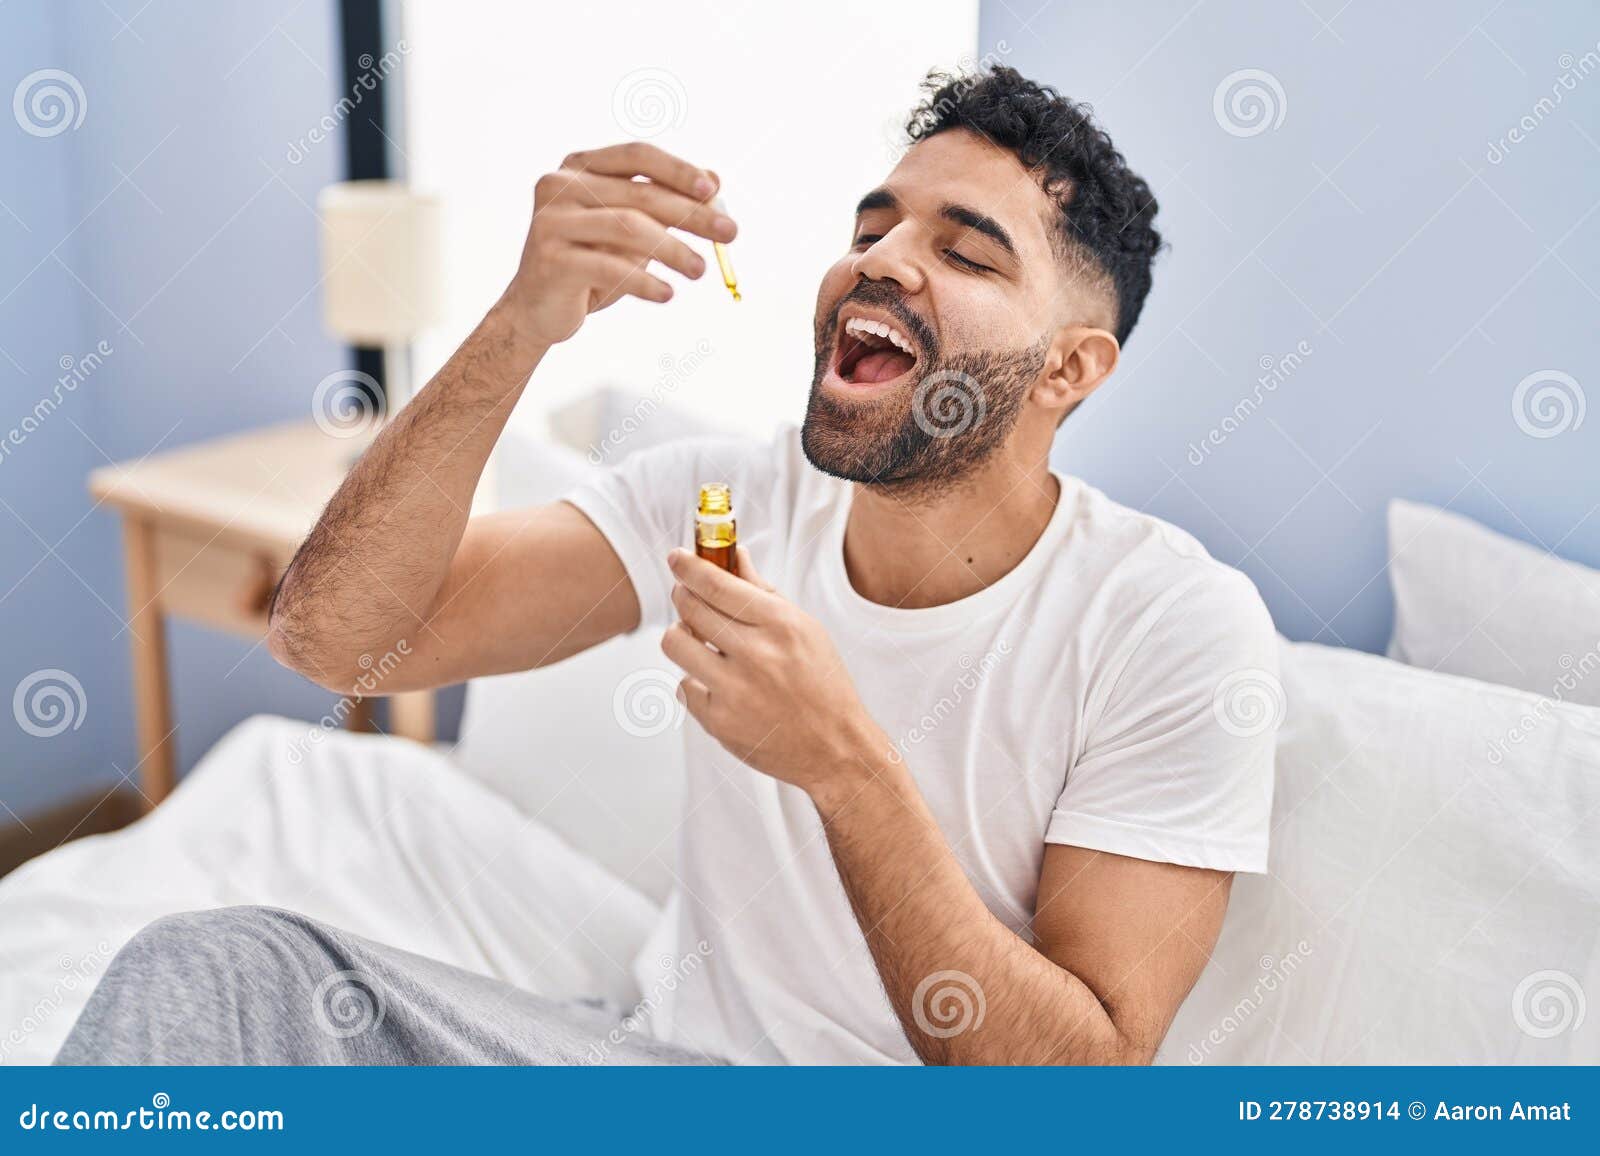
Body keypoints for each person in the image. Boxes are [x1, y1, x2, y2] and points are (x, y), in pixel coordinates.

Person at [58, 66, 1278, 1066]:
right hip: (647, 1074)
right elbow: (331, 638)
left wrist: (843, 766)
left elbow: (1080, 1091)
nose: (882, 260)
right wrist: (518, 324)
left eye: (966, 254)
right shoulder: (726, 503)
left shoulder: (1166, 624)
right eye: (872, 227)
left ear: (1068, 372)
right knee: (215, 975)